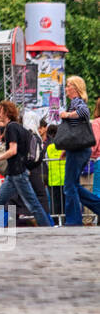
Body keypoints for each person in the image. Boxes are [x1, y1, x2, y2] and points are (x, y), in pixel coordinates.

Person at [0, 100, 55, 230]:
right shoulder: (16, 127)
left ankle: (46, 227)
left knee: (32, 204)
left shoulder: (12, 127)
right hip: (14, 174)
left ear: (6, 112)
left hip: (18, 173)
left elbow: (12, 151)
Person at [58, 75, 100, 225]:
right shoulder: (74, 102)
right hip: (78, 149)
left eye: (69, 85)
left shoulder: (77, 102)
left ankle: (73, 222)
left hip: (78, 150)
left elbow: (83, 112)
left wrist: (67, 115)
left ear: (75, 88)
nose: (67, 88)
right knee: (73, 185)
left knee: (69, 186)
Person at [45, 124, 66, 223]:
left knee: (55, 204)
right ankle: (65, 220)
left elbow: (46, 162)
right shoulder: (65, 146)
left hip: (53, 180)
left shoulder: (49, 148)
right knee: (65, 202)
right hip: (65, 179)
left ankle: (56, 222)